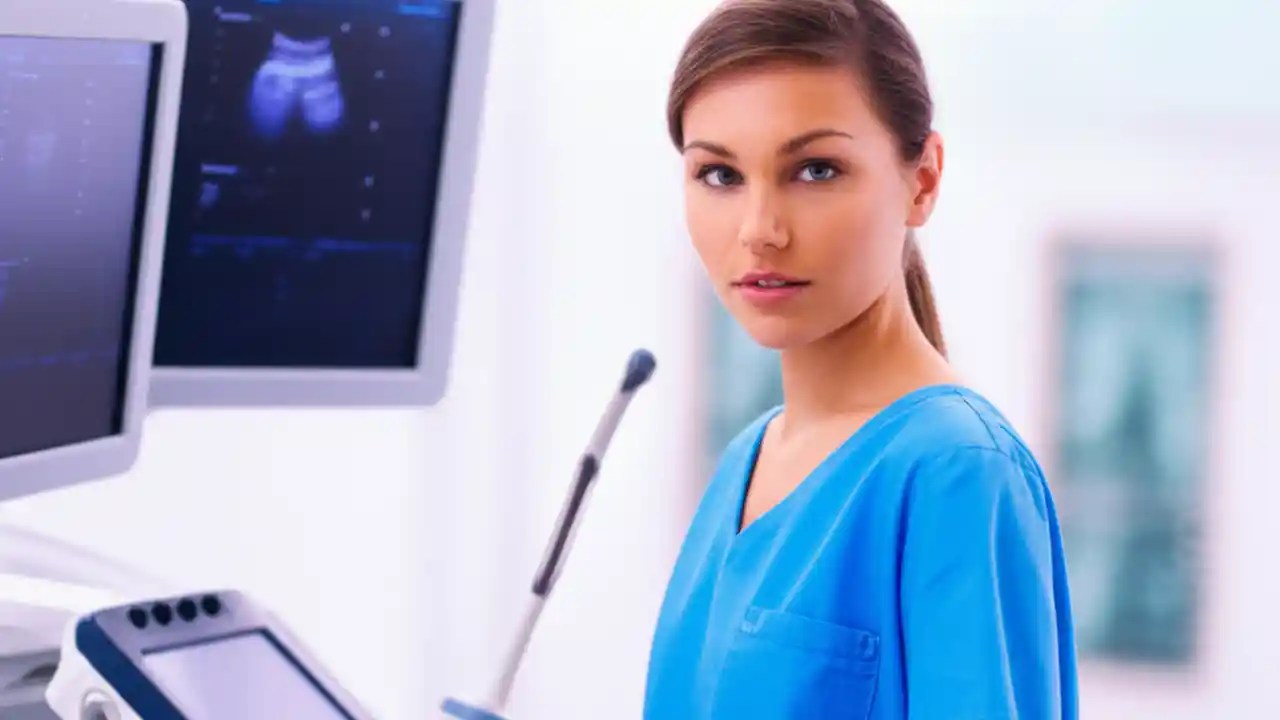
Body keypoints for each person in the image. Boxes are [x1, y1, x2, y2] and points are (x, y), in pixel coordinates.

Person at [643, 0, 1079, 718]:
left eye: (816, 170)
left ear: (924, 179)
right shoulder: (745, 463)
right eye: (720, 175)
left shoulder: (957, 471)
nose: (760, 231)